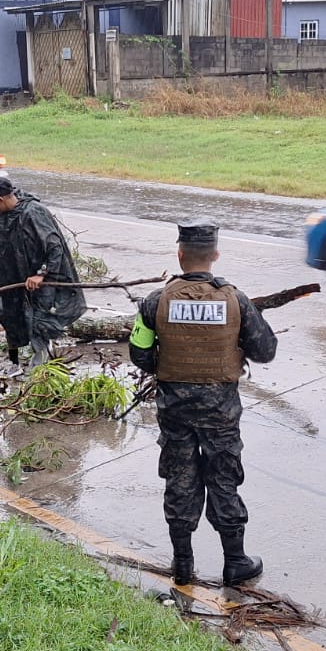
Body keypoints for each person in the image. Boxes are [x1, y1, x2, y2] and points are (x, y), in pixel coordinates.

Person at [128, 220, 277, 586]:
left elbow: (139, 353)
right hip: (220, 411)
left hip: (174, 410)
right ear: (214, 255)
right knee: (223, 478)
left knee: (179, 478)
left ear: (180, 256)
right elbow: (266, 351)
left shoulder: (155, 301)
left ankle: (182, 564)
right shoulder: (234, 299)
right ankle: (235, 562)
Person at [0, 177, 86, 367]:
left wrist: (41, 274)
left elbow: (54, 247)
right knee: (11, 318)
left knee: (39, 322)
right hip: (12, 278)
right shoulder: (0, 215)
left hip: (40, 281)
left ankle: (40, 368)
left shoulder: (34, 213)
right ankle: (15, 363)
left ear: (0, 199)